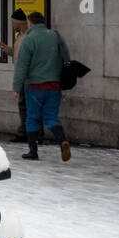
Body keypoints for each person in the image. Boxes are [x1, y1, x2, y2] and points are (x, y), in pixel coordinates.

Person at [12, 11, 70, 162]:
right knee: (51, 117)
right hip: (54, 85)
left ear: (30, 23)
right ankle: (62, 140)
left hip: (34, 86)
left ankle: (33, 151)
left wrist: (16, 87)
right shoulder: (55, 36)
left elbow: (22, 66)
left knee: (32, 118)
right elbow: (66, 57)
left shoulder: (29, 39)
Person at [0, 8, 29, 141]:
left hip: (25, 77)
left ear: (19, 23)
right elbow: (16, 53)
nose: (12, 25)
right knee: (24, 106)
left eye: (13, 23)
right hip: (22, 76)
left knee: (25, 106)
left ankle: (27, 133)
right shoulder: (20, 36)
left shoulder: (26, 37)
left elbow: (22, 59)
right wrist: (5, 48)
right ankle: (26, 132)